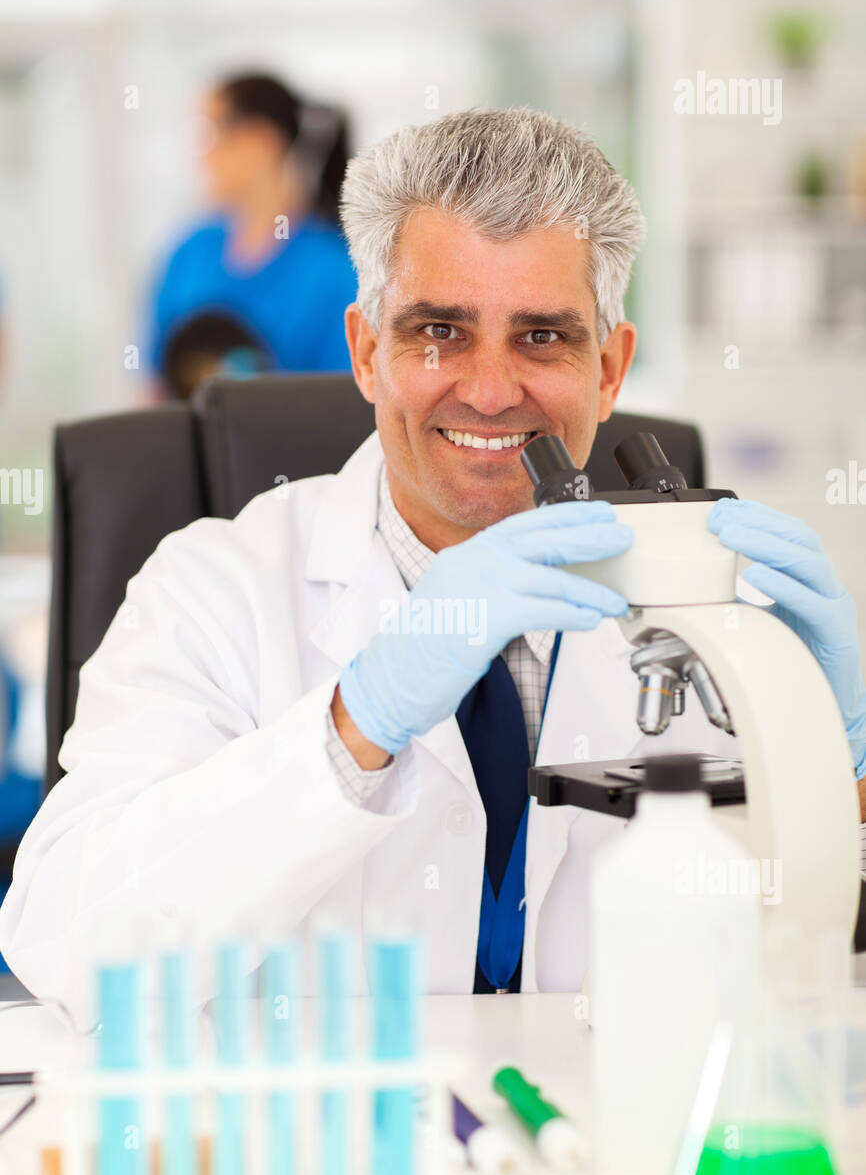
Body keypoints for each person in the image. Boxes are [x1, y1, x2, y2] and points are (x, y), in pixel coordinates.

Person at [2, 107, 865, 1022]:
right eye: (439, 332)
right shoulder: (213, 590)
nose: (491, 392)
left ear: (610, 370)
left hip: (626, 1142)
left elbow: (810, 977)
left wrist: (839, 756)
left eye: (542, 336)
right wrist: (354, 724)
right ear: (367, 352)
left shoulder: (714, 612)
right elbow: (66, 949)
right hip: (322, 1149)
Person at [148, 73, 357, 390]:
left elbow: (342, 408)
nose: (201, 155)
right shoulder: (189, 253)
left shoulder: (333, 271)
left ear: (260, 140)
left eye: (209, 133)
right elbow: (153, 387)